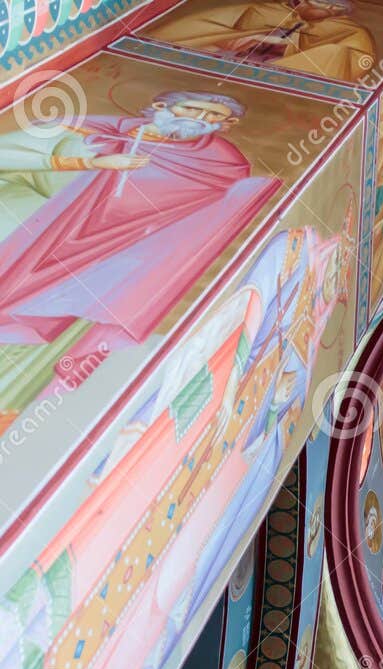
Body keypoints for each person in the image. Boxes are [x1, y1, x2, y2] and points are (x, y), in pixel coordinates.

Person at [0, 90, 279, 424]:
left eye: (214, 116)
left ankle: (13, 404)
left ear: (226, 124)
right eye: (192, 108)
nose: (201, 119)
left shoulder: (220, 159)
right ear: (161, 106)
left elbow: (204, 209)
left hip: (121, 258)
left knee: (64, 323)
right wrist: (91, 163)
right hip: (46, 237)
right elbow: (16, 154)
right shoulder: (94, 131)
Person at [149, 0, 377, 81]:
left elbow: (355, 58)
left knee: (335, 53)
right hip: (233, 56)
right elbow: (217, 28)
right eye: (321, 1)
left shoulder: (349, 30)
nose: (327, 8)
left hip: (282, 69)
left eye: (335, 6)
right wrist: (253, 37)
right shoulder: (263, 9)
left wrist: (293, 43)